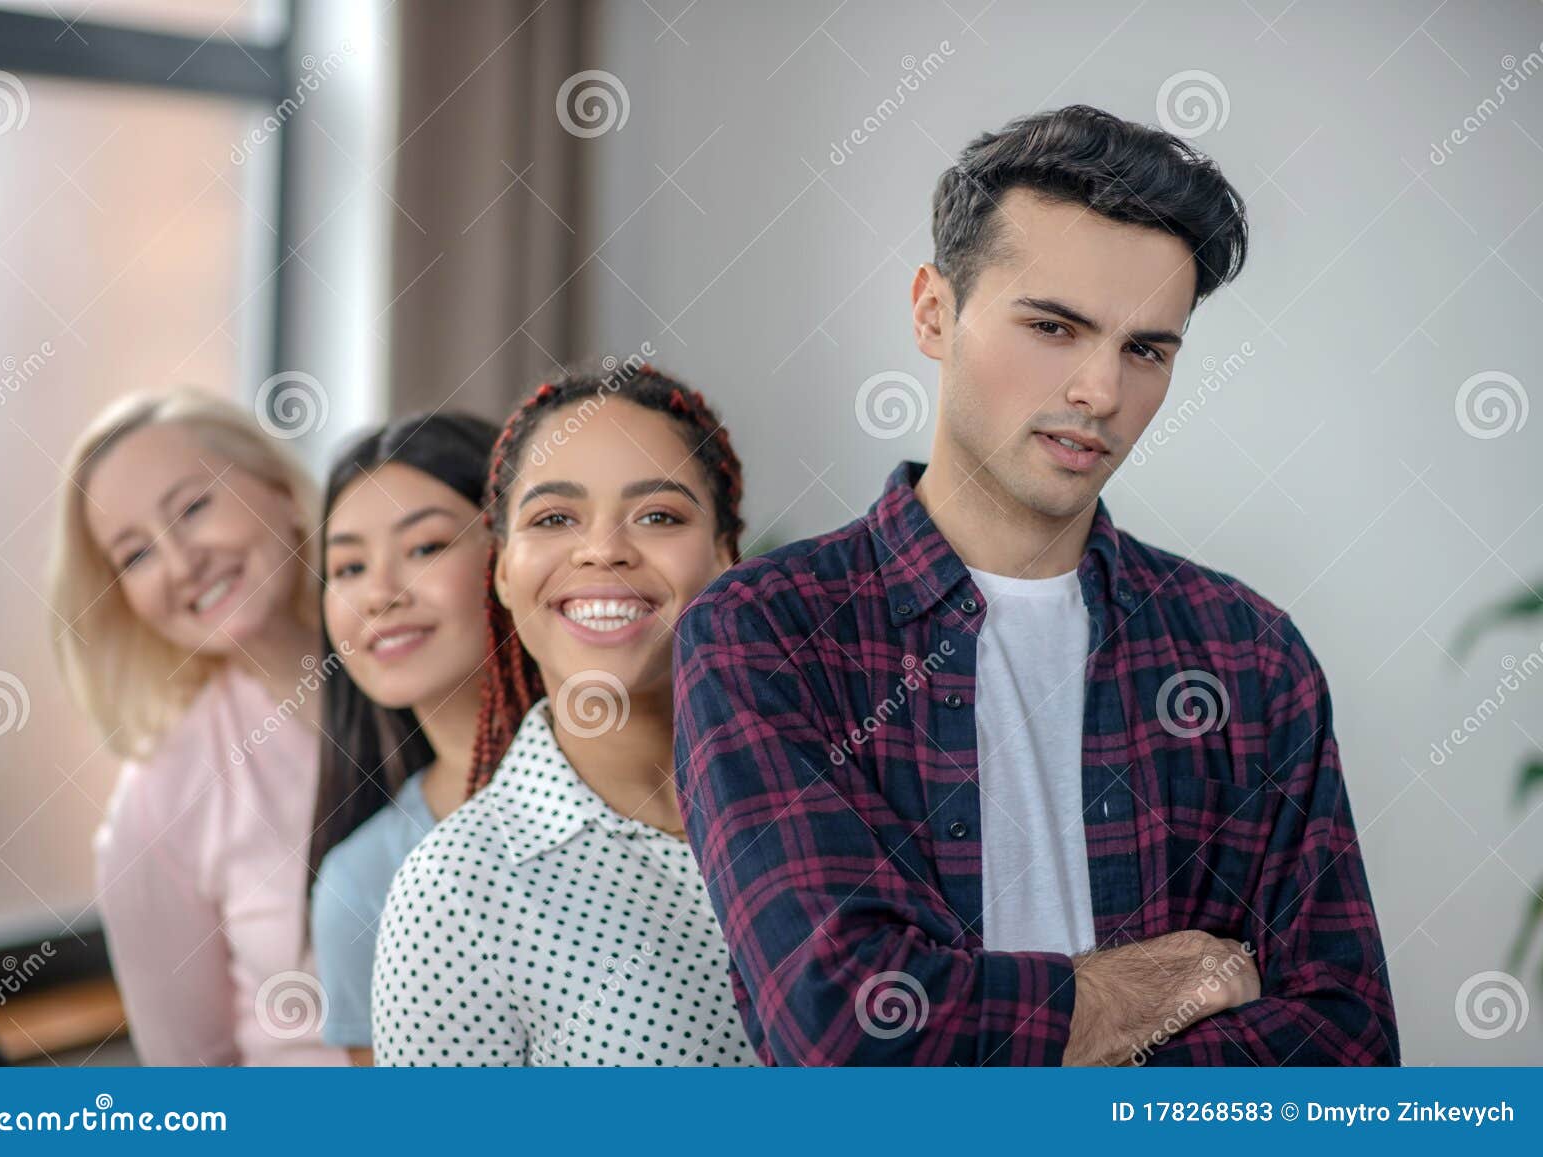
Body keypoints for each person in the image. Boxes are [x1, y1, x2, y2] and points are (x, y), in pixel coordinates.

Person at [673, 105, 1400, 1066]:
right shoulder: (766, 636)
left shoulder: (1249, 655)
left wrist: (994, 1033)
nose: (1101, 390)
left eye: (1146, 349)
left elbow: (1348, 1051)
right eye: (1054, 327)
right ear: (934, 312)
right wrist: (1170, 984)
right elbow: (847, 1030)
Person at [370, 363, 757, 1066]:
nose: (604, 547)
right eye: (553, 518)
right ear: (502, 571)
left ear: (727, 556)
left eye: (660, 515)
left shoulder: (842, 792)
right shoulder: (455, 894)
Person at [49, 388, 345, 1065]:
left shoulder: (435, 669)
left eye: (192, 506)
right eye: (135, 554)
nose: (182, 563)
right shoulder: (157, 803)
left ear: (282, 493)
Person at [307, 411, 499, 1064]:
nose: (379, 594)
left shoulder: (675, 775)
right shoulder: (361, 883)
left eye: (424, 547)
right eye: (350, 566)